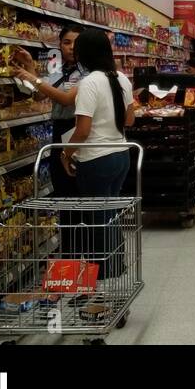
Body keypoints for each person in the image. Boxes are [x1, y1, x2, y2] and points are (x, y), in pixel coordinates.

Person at [63, 29, 136, 279]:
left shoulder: (89, 83)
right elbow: (130, 119)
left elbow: (82, 131)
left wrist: (65, 153)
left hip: (95, 159)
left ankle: (103, 273)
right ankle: (116, 266)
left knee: (96, 219)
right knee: (111, 214)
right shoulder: (122, 79)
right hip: (121, 156)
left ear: (84, 54)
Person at [12, 24, 86, 198]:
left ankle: (79, 224)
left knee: (77, 186)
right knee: (60, 183)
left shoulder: (88, 70)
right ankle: (66, 223)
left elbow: (66, 99)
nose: (72, 47)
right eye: (67, 42)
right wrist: (30, 66)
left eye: (77, 43)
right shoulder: (56, 66)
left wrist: (34, 79)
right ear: (60, 45)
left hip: (78, 130)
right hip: (59, 130)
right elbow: (39, 96)